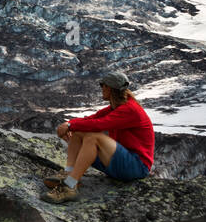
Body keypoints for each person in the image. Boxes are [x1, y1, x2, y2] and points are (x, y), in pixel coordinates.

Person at [42, 69, 154, 203]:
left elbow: (99, 124)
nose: (101, 89)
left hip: (136, 167)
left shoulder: (130, 110)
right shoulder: (117, 107)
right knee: (79, 132)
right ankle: (70, 174)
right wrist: (69, 124)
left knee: (93, 137)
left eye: (102, 85)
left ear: (109, 88)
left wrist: (70, 126)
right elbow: (92, 119)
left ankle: (70, 186)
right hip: (123, 164)